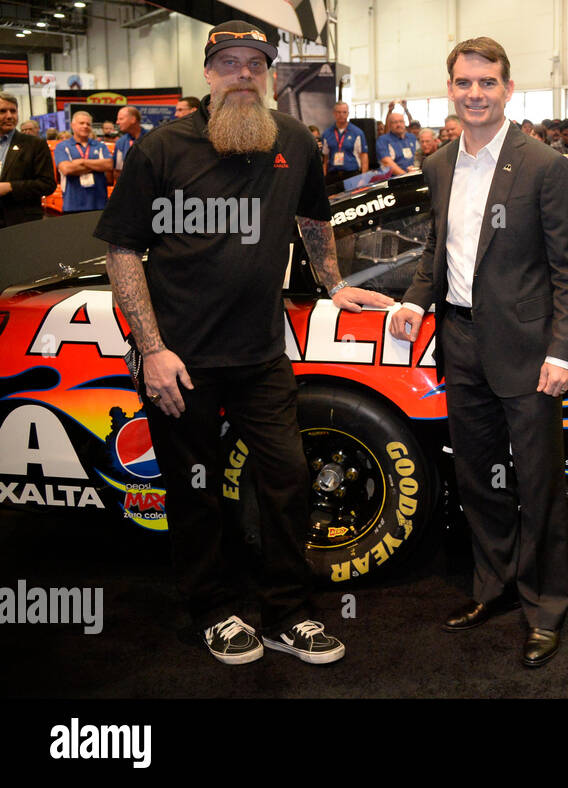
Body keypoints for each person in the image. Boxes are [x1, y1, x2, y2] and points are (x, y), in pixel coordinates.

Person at [92, 20, 392, 665]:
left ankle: (288, 611)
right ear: (207, 74)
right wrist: (151, 350)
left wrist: (333, 284)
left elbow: (313, 216)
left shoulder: (292, 141)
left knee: (287, 478)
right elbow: (123, 249)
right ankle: (212, 607)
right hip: (182, 358)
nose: (241, 74)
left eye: (254, 64)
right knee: (194, 490)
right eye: (227, 63)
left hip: (261, 353)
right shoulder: (161, 149)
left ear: (271, 76)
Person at [387, 37, 568, 669]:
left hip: (529, 352)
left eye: (488, 82)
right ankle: (493, 587)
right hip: (461, 343)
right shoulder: (440, 163)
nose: (476, 93)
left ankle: (545, 606)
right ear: (450, 87)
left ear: (507, 89)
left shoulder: (544, 166)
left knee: (538, 483)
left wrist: (563, 351)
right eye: (465, 82)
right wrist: (416, 303)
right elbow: (437, 252)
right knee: (478, 479)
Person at [0, 91, 55, 227]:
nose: (9, 116)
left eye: (13, 111)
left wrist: (11, 187)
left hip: (21, 222)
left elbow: (47, 184)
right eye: (2, 111)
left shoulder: (35, 144)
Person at [53, 110, 113, 213]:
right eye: (81, 123)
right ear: (73, 125)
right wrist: (96, 166)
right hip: (72, 204)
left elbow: (109, 165)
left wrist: (81, 162)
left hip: (99, 203)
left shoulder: (100, 146)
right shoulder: (62, 146)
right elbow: (66, 169)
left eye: (88, 124)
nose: (85, 126)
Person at [324, 101, 368, 187]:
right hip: (333, 176)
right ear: (334, 114)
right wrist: (324, 177)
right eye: (338, 112)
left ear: (348, 114)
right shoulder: (327, 133)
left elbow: (364, 156)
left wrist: (364, 178)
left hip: (352, 175)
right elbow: (325, 158)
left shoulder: (357, 133)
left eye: (344, 112)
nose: (341, 115)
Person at [376, 110, 419, 176]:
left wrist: (416, 170)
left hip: (413, 175)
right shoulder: (383, 140)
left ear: (404, 123)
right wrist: (406, 176)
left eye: (401, 121)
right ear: (389, 125)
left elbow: (418, 156)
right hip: (392, 180)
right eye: (395, 122)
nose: (398, 124)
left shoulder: (412, 137)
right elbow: (387, 163)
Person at [114, 105, 145, 174]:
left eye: (121, 119)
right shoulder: (120, 142)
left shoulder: (151, 138)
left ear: (133, 120)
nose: (117, 122)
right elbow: (118, 170)